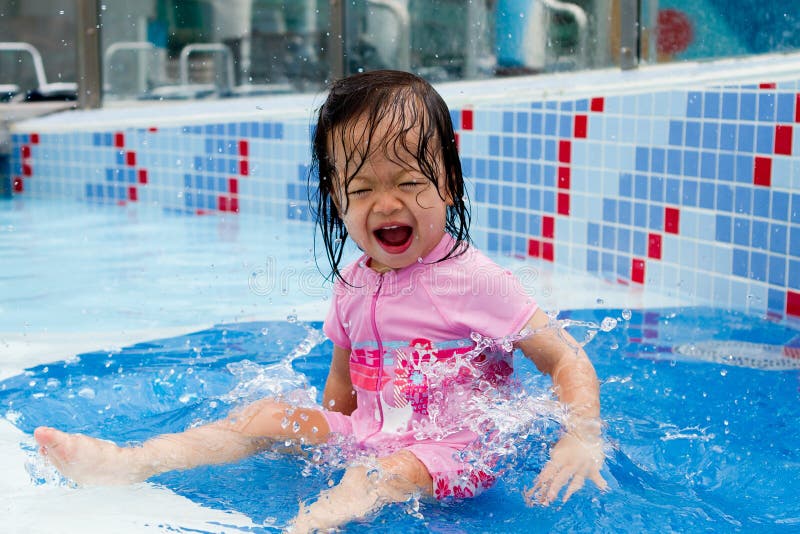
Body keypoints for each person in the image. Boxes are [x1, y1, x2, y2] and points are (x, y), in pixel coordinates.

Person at [33, 70, 607, 532]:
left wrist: (581, 434)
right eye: (361, 190)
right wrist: (319, 441)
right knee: (261, 415)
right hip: (375, 437)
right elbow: (342, 386)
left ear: (449, 185)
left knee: (377, 473)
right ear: (336, 200)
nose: (385, 204)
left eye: (408, 183)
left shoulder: (474, 279)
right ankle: (127, 463)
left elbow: (565, 358)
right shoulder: (353, 284)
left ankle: (314, 522)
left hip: (459, 450)